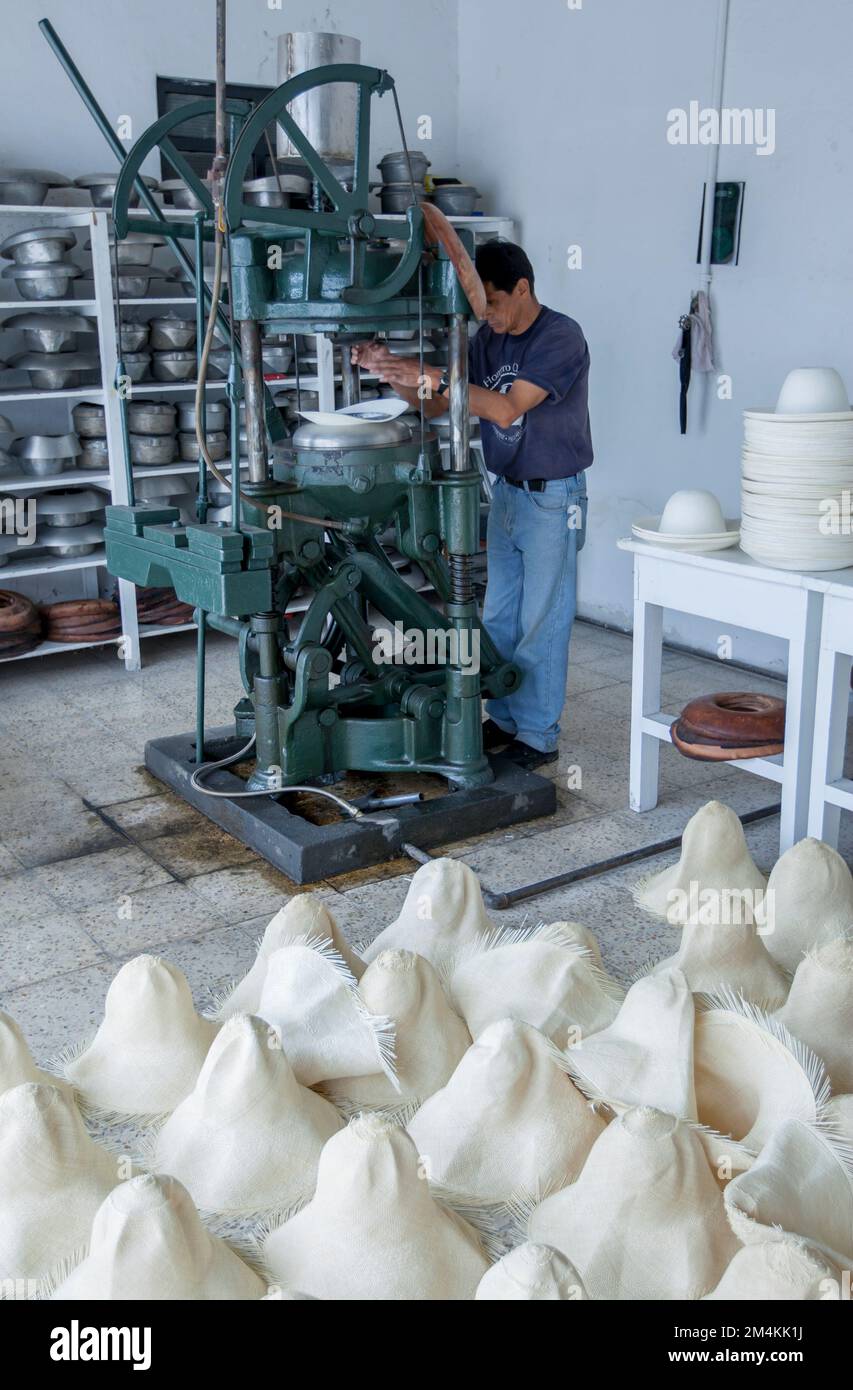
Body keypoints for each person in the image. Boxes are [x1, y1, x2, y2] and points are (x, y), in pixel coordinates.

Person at [351, 239, 592, 771]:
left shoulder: (560, 336)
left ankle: (538, 734)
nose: (490, 318)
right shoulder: (488, 340)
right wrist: (395, 371)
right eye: (481, 309)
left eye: (495, 305)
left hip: (553, 496)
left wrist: (430, 372)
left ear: (523, 289)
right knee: (501, 616)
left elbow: (505, 409)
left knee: (542, 620)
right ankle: (505, 719)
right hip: (506, 491)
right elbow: (442, 400)